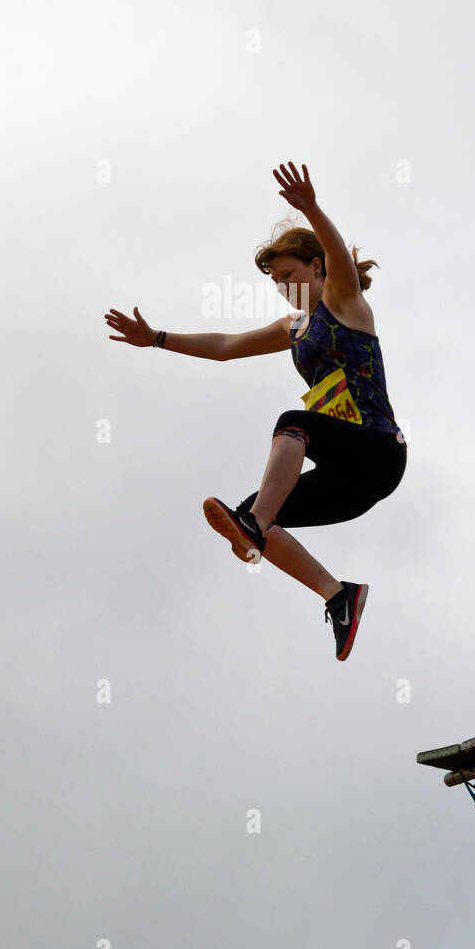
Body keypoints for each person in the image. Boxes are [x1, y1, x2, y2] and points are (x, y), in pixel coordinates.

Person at [104, 161, 407, 661]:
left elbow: (339, 258)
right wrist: (157, 338)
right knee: (250, 514)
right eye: (276, 280)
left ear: (316, 267)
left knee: (293, 425)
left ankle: (256, 525)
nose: (284, 285)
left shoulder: (344, 299)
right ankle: (339, 596)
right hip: (351, 482)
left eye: (290, 274)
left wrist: (310, 208)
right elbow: (225, 345)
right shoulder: (293, 328)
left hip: (378, 450)